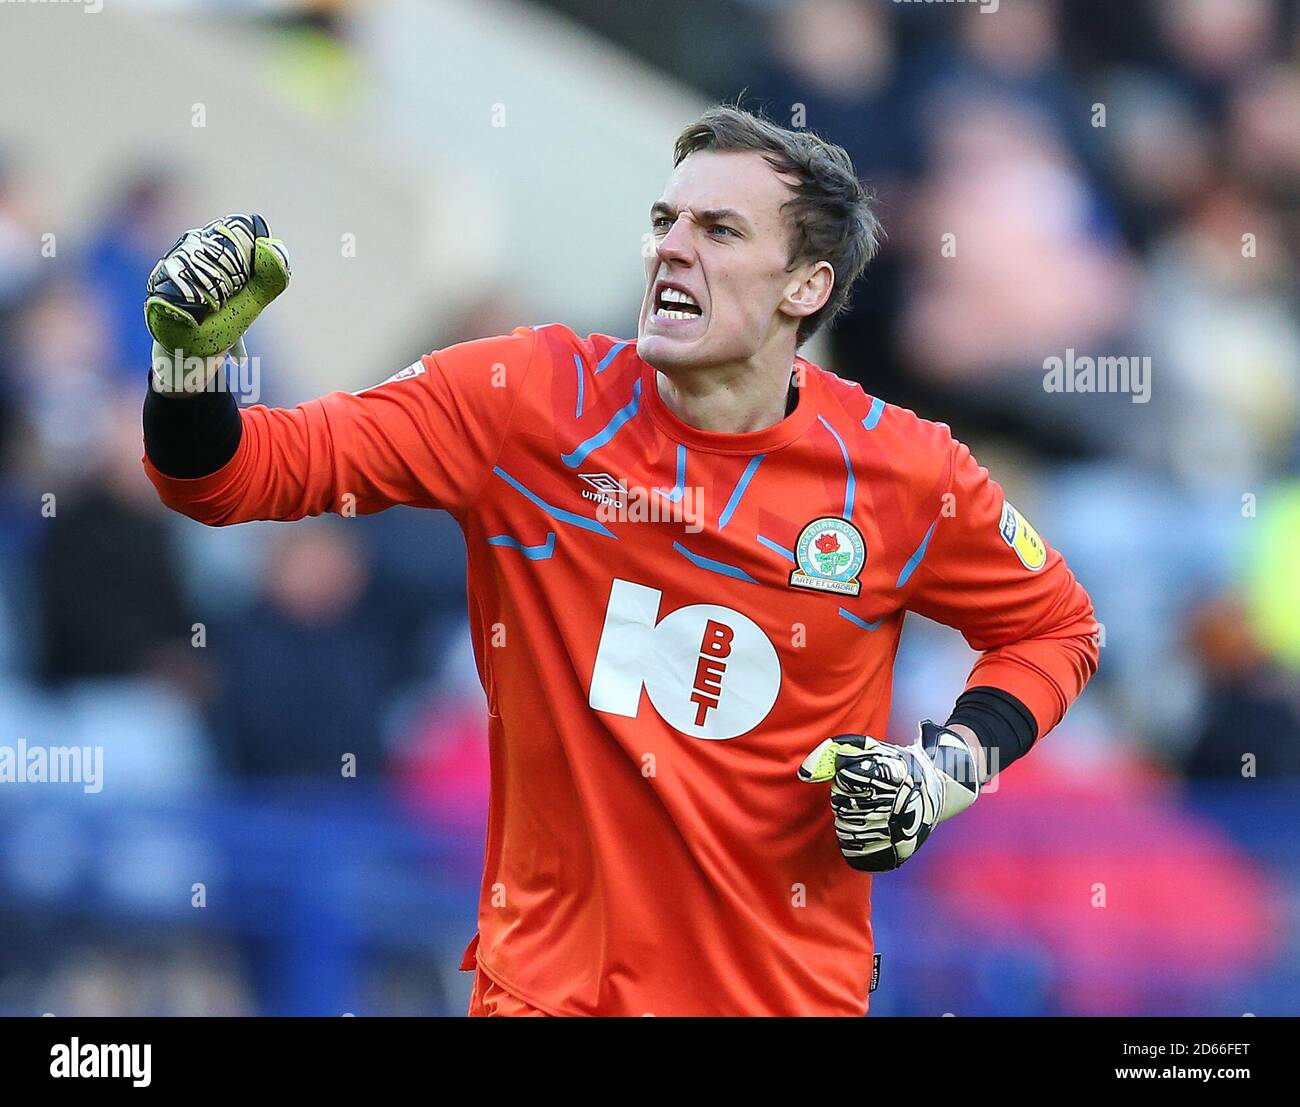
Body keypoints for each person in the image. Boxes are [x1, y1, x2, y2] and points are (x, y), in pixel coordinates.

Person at [140, 107, 1098, 1016]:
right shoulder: (524, 398)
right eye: (664, 220)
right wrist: (187, 370)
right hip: (547, 994)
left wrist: (945, 772)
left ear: (804, 286)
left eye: (719, 229)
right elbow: (230, 480)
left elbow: (1055, 626)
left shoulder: (903, 472)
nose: (672, 247)